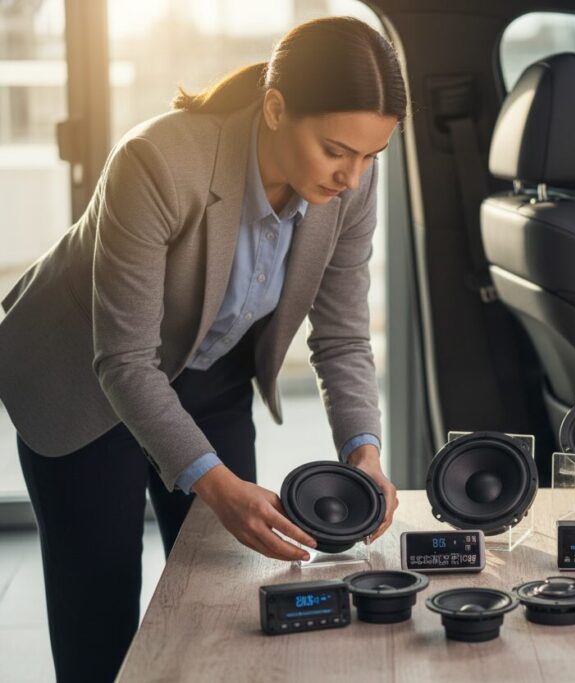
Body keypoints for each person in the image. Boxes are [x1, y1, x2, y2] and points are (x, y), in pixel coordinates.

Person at [0, 16, 403, 683]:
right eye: (338, 150)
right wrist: (216, 486)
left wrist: (364, 450)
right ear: (276, 108)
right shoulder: (157, 161)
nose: (354, 178)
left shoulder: (348, 189)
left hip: (207, 373)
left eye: (371, 157)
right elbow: (124, 362)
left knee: (229, 588)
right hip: (83, 376)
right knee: (100, 617)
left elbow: (343, 335)